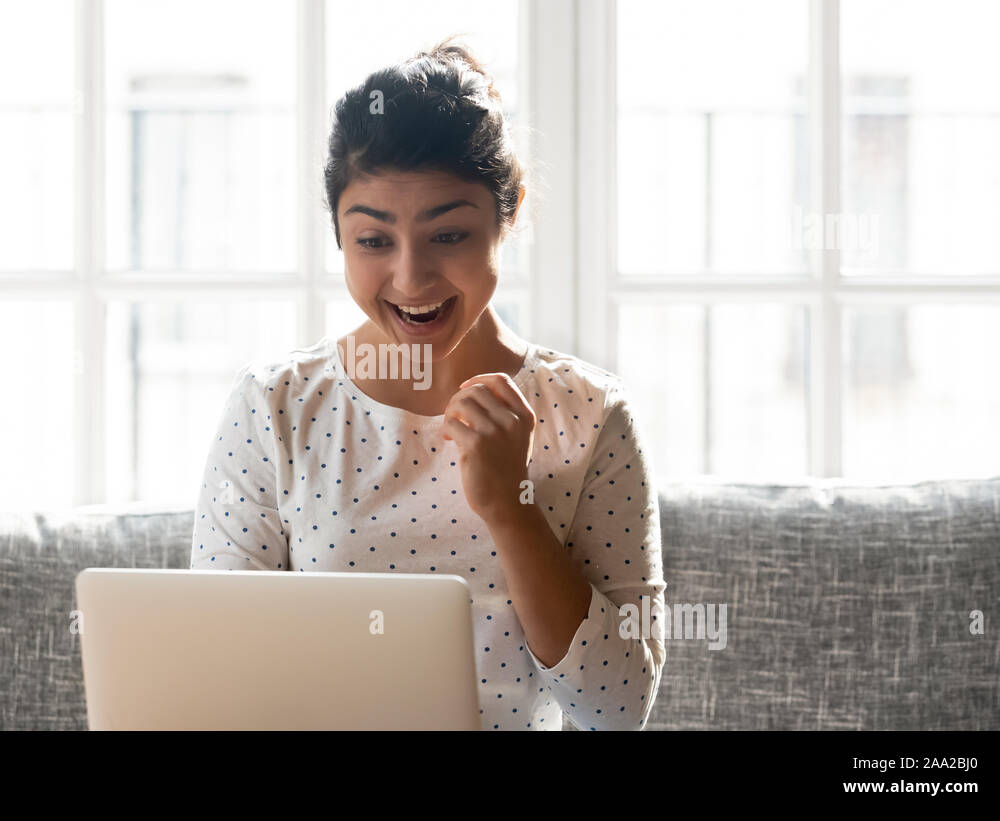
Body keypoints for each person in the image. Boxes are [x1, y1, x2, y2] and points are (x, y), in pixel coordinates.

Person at [190, 36, 666, 731]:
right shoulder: (276, 408)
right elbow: (212, 679)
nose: (411, 280)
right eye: (374, 241)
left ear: (510, 214)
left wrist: (512, 508)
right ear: (338, 234)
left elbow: (617, 712)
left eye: (449, 235)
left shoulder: (590, 414)